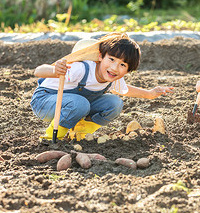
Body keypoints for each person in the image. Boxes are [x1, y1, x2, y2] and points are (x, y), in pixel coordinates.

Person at [30, 32, 174, 140]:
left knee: (115, 103)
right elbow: (38, 71)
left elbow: (126, 90)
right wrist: (55, 70)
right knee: (80, 104)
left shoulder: (112, 78)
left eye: (122, 65)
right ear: (100, 57)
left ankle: (80, 133)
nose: (115, 68)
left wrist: (149, 93)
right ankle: (50, 137)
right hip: (45, 102)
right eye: (111, 59)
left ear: (128, 70)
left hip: (75, 105)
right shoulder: (81, 69)